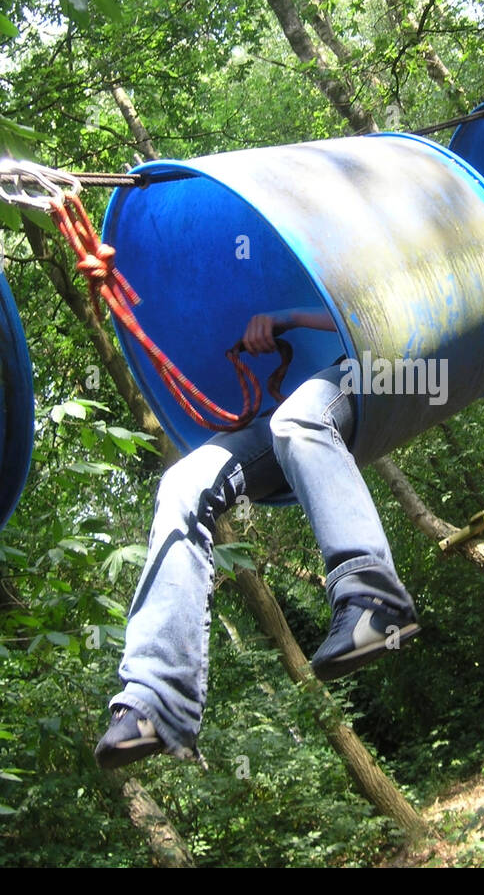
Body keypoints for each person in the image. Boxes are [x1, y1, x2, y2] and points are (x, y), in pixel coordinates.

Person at [95, 307, 421, 768]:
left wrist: (287, 317)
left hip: (395, 361)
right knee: (183, 486)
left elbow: (381, 306)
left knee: (299, 418)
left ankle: (374, 600)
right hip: (299, 401)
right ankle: (157, 696)